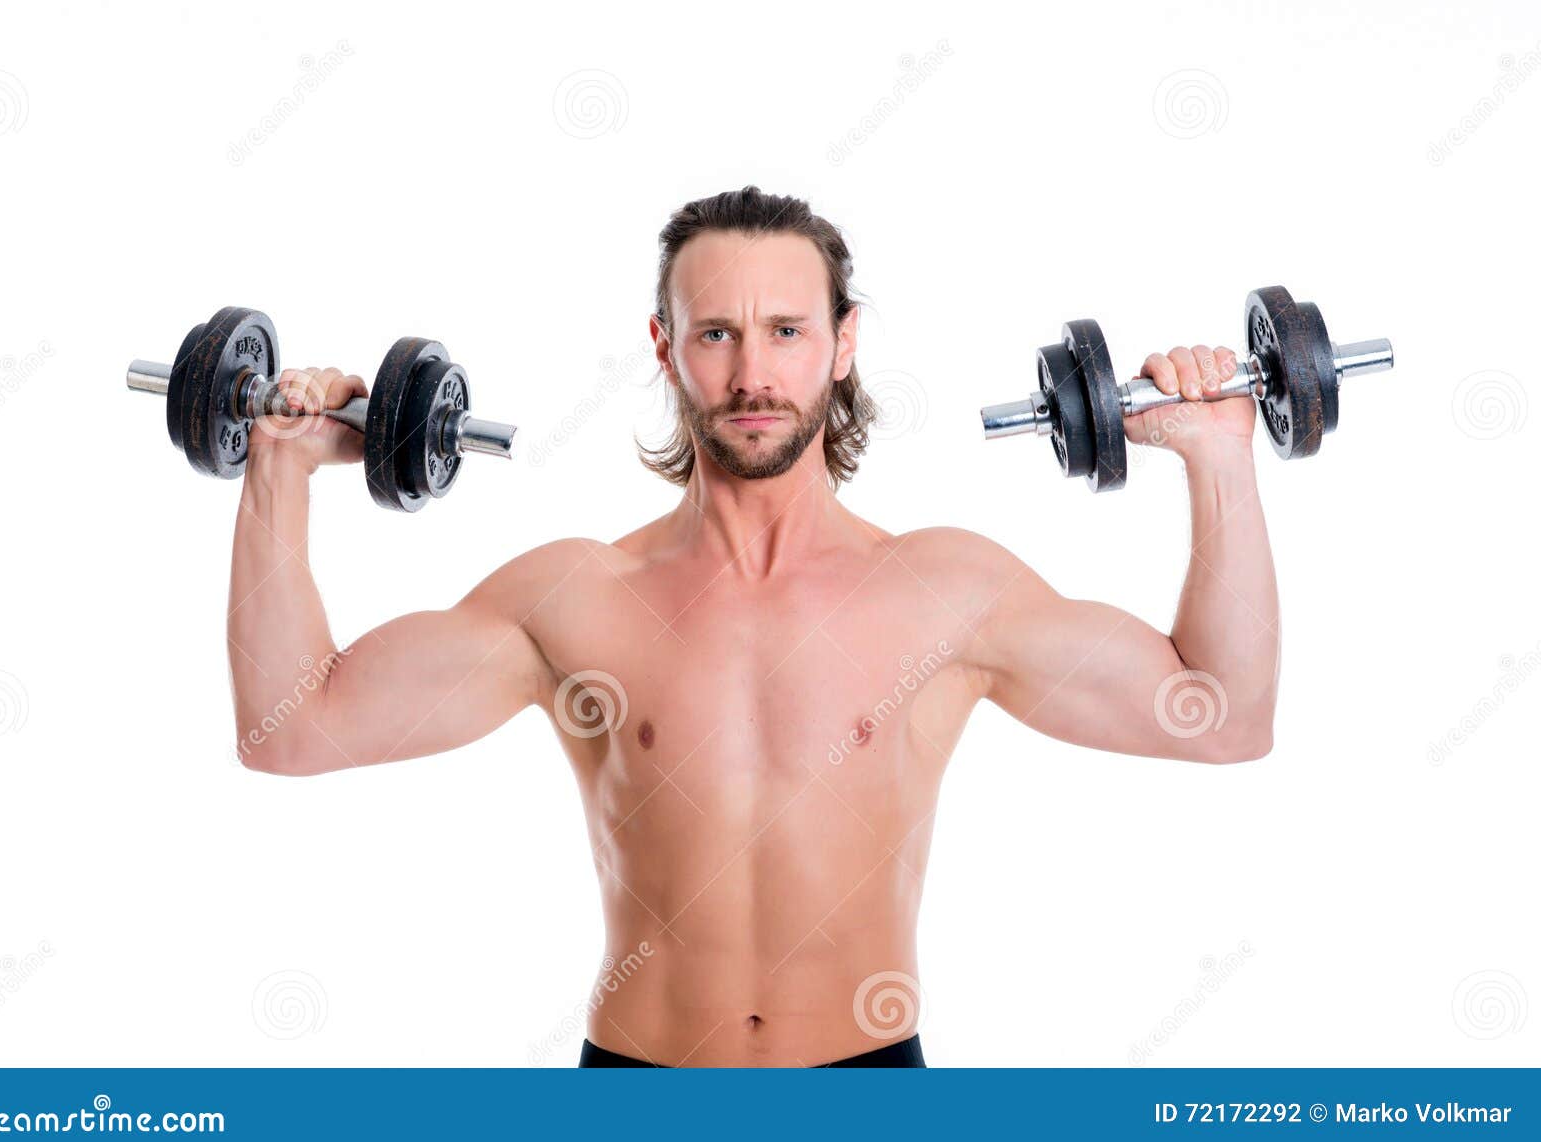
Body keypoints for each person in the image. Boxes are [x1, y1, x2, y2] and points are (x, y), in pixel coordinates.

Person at [228, 186, 1276, 1067]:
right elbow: (294, 728)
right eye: (715, 333)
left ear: (843, 342)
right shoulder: (577, 597)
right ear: (665, 347)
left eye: (786, 330)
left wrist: (1219, 453)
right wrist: (278, 466)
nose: (751, 375)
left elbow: (1220, 716)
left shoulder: (944, 591)